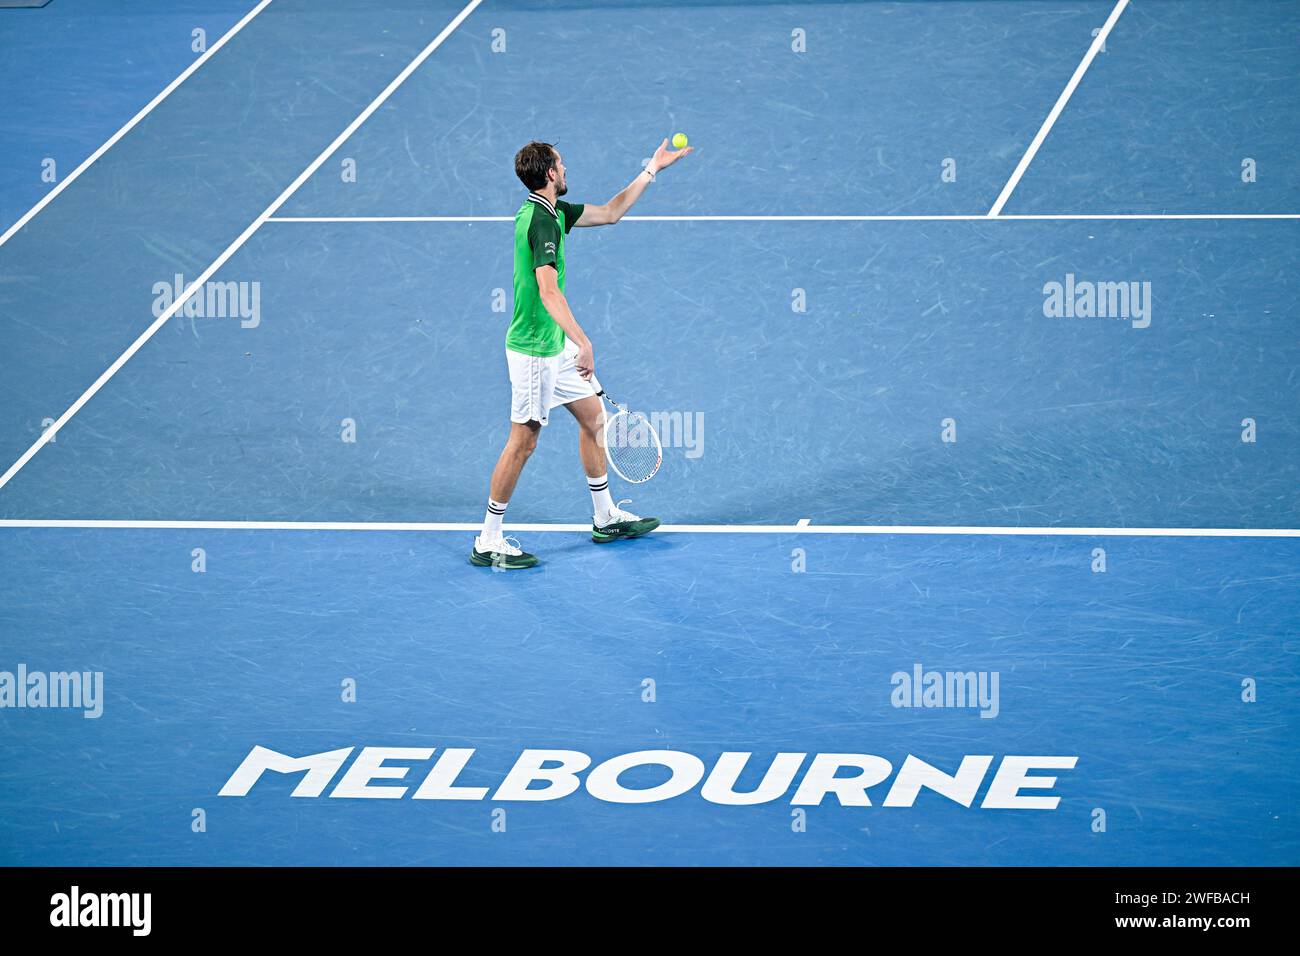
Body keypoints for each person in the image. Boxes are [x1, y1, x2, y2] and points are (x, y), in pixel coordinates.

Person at [471, 138, 693, 569]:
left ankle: (605, 516)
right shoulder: (540, 222)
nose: (566, 168)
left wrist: (652, 169)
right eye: (561, 163)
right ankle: (488, 538)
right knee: (523, 442)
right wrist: (584, 342)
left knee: (594, 419)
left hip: (553, 345)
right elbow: (548, 290)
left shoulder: (553, 211)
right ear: (550, 174)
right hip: (536, 351)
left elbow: (611, 212)